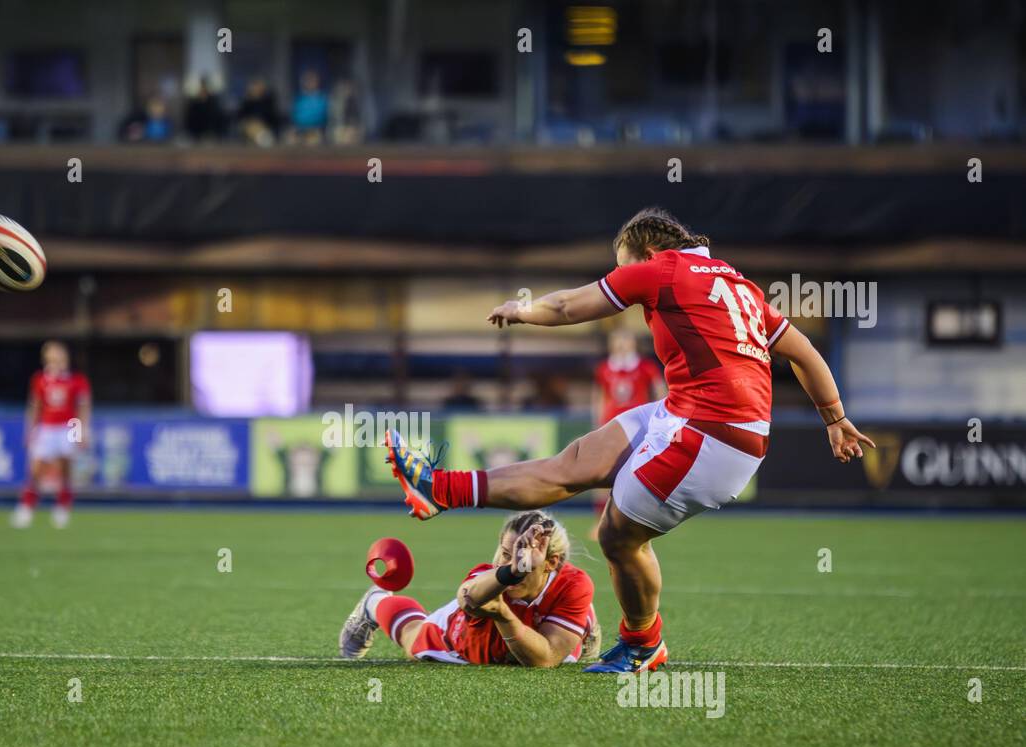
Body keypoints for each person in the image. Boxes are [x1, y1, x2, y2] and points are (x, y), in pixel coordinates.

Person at [385, 207, 874, 673]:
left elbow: (568, 305)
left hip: (713, 435)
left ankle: (643, 644)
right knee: (574, 465)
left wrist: (522, 310)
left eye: (620, 265)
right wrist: (834, 417)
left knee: (618, 535)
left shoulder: (659, 269)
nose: (620, 277)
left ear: (643, 251)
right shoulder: (738, 283)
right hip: (692, 412)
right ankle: (439, 489)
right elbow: (803, 350)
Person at [338, 511, 601, 667]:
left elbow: (547, 658)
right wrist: (512, 573)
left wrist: (507, 614)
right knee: (412, 640)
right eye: (506, 553)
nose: (512, 562)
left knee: (567, 645)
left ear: (551, 563)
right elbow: (468, 598)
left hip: (542, 630)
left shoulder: (572, 583)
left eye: (521, 557)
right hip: (465, 641)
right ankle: (375, 601)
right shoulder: (486, 576)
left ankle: (581, 620)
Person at [12, 341, 91, 530]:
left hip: (68, 426)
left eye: (60, 356)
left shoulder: (77, 380)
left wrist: (80, 432)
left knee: (66, 467)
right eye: (52, 357)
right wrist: (30, 430)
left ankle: (62, 506)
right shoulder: (40, 379)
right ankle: (27, 506)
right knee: (37, 468)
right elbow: (35, 406)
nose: (57, 360)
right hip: (46, 427)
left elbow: (83, 408)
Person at [588, 329, 665, 522]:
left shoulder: (646, 367)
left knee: (639, 471)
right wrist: (598, 422)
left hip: (639, 427)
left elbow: (660, 392)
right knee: (604, 471)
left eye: (625, 339)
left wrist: (661, 420)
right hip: (612, 425)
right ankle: (602, 520)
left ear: (633, 344)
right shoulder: (604, 368)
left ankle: (639, 517)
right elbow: (599, 397)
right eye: (617, 340)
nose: (621, 344)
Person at [236, 77, 281, 145]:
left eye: (258, 87)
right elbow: (241, 117)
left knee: (258, 128)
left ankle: (261, 138)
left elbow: (272, 117)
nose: (256, 89)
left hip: (264, 126)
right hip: (250, 126)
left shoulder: (268, 102)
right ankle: (261, 138)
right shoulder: (246, 102)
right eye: (254, 87)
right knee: (251, 126)